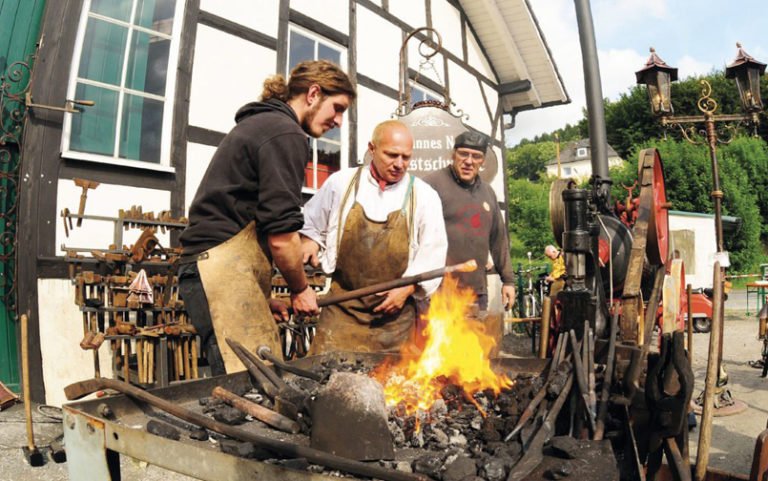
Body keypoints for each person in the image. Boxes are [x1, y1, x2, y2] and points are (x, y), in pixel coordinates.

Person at [178, 60, 356, 375]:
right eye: (337, 108)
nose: (339, 121)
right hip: (216, 270)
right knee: (254, 388)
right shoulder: (284, 133)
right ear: (313, 93)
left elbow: (248, 215)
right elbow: (282, 235)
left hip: (217, 269)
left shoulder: (266, 125)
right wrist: (300, 289)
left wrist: (262, 297)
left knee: (261, 383)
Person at [301, 120, 448, 353]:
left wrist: (408, 289)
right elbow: (310, 224)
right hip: (342, 312)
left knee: (397, 386)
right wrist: (310, 239)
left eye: (406, 157)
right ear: (372, 149)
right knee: (325, 381)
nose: (400, 164)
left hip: (395, 320)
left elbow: (433, 253)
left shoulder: (424, 195)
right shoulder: (341, 183)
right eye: (391, 155)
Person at [424, 131, 515, 312]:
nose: (469, 161)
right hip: (439, 291)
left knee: (475, 340)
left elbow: (499, 240)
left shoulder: (488, 193)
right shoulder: (431, 185)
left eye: (476, 156)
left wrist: (508, 281)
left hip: (476, 292)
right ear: (453, 154)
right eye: (463, 154)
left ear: (482, 161)